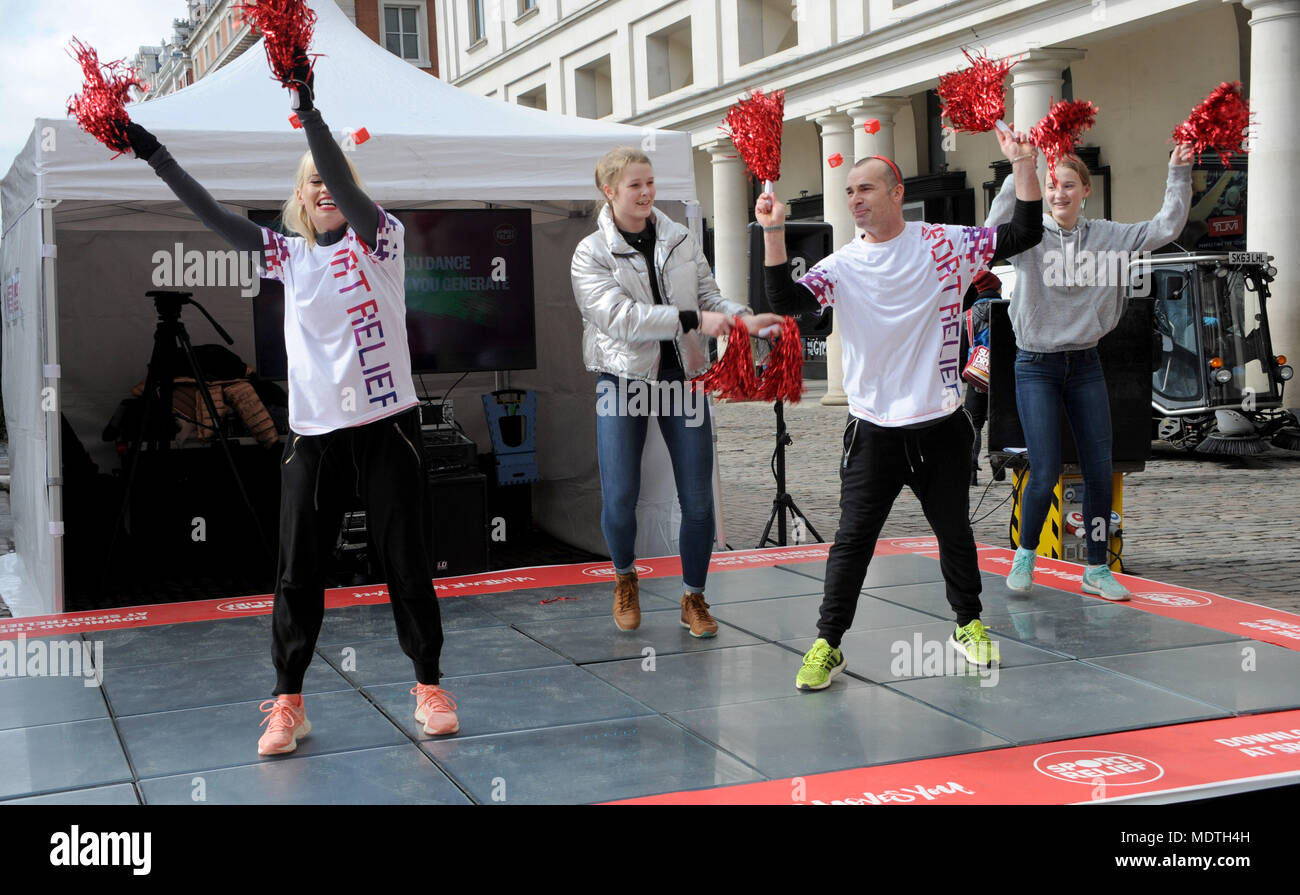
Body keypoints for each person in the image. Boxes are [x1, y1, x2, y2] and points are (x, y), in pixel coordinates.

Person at [118, 56, 458, 755]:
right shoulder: (286, 257)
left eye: (329, 180)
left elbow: (338, 174)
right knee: (298, 568)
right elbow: (211, 215)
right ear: (300, 201)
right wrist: (154, 153)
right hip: (313, 436)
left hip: (387, 424)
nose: (323, 189)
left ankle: (428, 683)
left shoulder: (380, 241)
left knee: (405, 559)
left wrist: (308, 108)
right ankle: (289, 701)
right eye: (310, 184)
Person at [758, 128, 1045, 690]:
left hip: (939, 425)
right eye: (848, 192)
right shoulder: (843, 265)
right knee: (852, 541)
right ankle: (827, 643)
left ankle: (969, 625)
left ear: (896, 194)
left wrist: (1025, 165)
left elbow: (1025, 231)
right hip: (873, 431)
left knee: (954, 533)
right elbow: (785, 302)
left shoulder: (945, 243)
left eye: (866, 188)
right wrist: (773, 230)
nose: (855, 199)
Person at [571, 147, 782, 637]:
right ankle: (625, 578)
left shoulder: (681, 237)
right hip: (622, 382)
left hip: (683, 381)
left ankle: (694, 596)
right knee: (621, 495)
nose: (646, 193)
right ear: (610, 191)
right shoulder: (590, 252)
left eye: (649, 183)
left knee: (698, 498)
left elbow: (707, 297)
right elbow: (619, 318)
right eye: (634, 185)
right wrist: (694, 320)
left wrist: (742, 318)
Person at [987, 146, 1193, 600]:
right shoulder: (1028, 236)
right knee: (1043, 471)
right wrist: (1018, 170)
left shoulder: (1109, 236)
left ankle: (1097, 567)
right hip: (1035, 364)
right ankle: (1025, 555)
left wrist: (1178, 170)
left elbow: (1166, 226)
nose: (1058, 193)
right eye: (1051, 185)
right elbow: (989, 234)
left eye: (1067, 185)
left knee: (1100, 470)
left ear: (1086, 190)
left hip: (1085, 363)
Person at [961, 270, 1002, 485]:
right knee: (1000, 421)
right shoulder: (1007, 310)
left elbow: (961, 349)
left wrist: (965, 374)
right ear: (996, 288)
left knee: (974, 425)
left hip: (978, 376)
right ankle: (999, 463)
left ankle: (971, 471)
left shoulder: (968, 316)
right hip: (1002, 379)